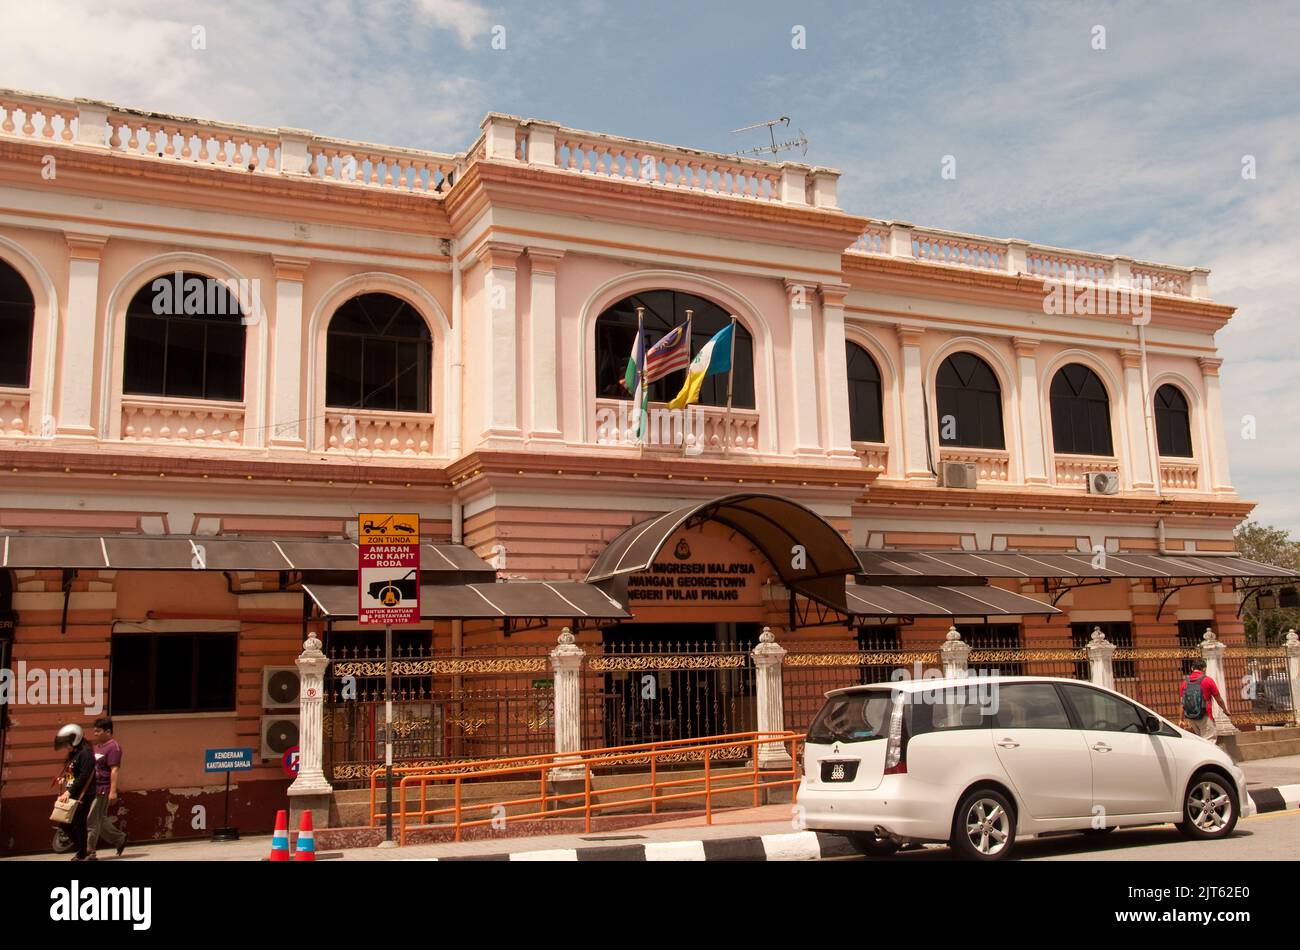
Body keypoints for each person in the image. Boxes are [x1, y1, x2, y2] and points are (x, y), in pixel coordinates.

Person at [54, 723, 96, 861]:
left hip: (83, 794)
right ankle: (84, 850)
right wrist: (64, 779)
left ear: (75, 738)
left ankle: (82, 853)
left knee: (78, 823)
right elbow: (73, 773)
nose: (66, 746)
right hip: (73, 793)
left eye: (67, 743)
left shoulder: (86, 754)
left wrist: (69, 792)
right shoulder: (75, 753)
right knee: (65, 823)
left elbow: (84, 776)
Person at [86, 716, 127, 859]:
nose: (95, 734)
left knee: (91, 819)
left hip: (103, 788)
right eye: (94, 731)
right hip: (93, 788)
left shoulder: (114, 748)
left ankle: (89, 852)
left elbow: (114, 770)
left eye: (98, 731)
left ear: (108, 731)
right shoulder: (97, 747)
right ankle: (119, 838)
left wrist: (113, 792)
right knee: (100, 819)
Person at [1180, 658, 1231, 741]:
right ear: (1204, 668)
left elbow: (1182, 703)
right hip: (1205, 716)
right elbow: (1219, 699)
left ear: (1192, 668)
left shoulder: (1185, 682)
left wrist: (1181, 719)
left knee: (1201, 741)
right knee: (1210, 741)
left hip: (1191, 717)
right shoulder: (1208, 680)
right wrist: (1225, 710)